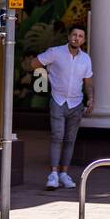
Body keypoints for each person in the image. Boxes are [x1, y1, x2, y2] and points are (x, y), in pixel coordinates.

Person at [31, 26, 94, 190]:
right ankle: (53, 174)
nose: (77, 38)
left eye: (80, 36)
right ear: (69, 36)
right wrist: (43, 81)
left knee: (70, 140)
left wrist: (91, 99)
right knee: (57, 137)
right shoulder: (55, 52)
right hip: (58, 100)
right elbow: (34, 63)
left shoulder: (86, 59)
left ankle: (64, 174)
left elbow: (88, 81)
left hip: (76, 103)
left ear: (84, 40)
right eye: (74, 35)